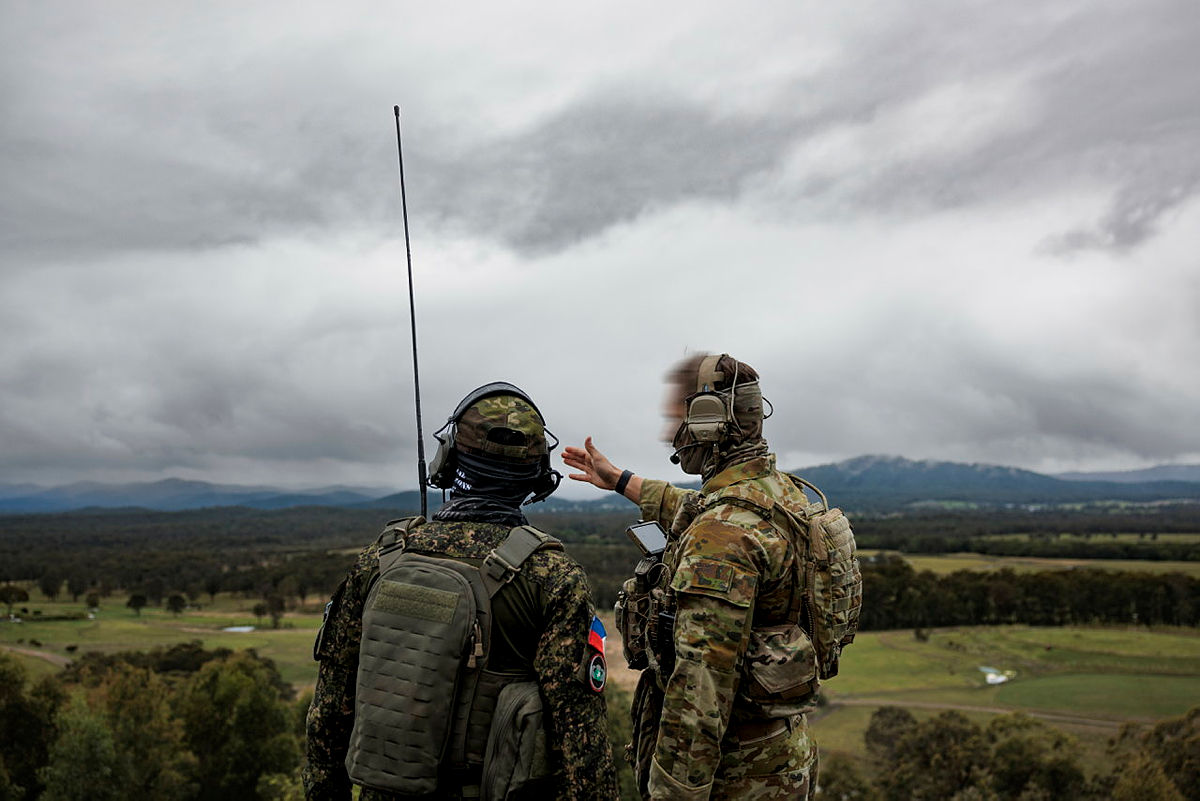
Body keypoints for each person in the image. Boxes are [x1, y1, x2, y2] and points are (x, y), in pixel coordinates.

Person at [304, 382, 619, 801]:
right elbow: (581, 744)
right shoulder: (553, 576)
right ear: (540, 474)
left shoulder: (379, 559)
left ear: (449, 458)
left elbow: (327, 717)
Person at [564, 353, 839, 801]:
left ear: (709, 419)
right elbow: (690, 507)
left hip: (734, 776)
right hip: (782, 757)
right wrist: (619, 479)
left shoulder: (723, 533)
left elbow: (700, 690)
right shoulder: (777, 493)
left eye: (677, 417)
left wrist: (673, 792)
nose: (668, 433)